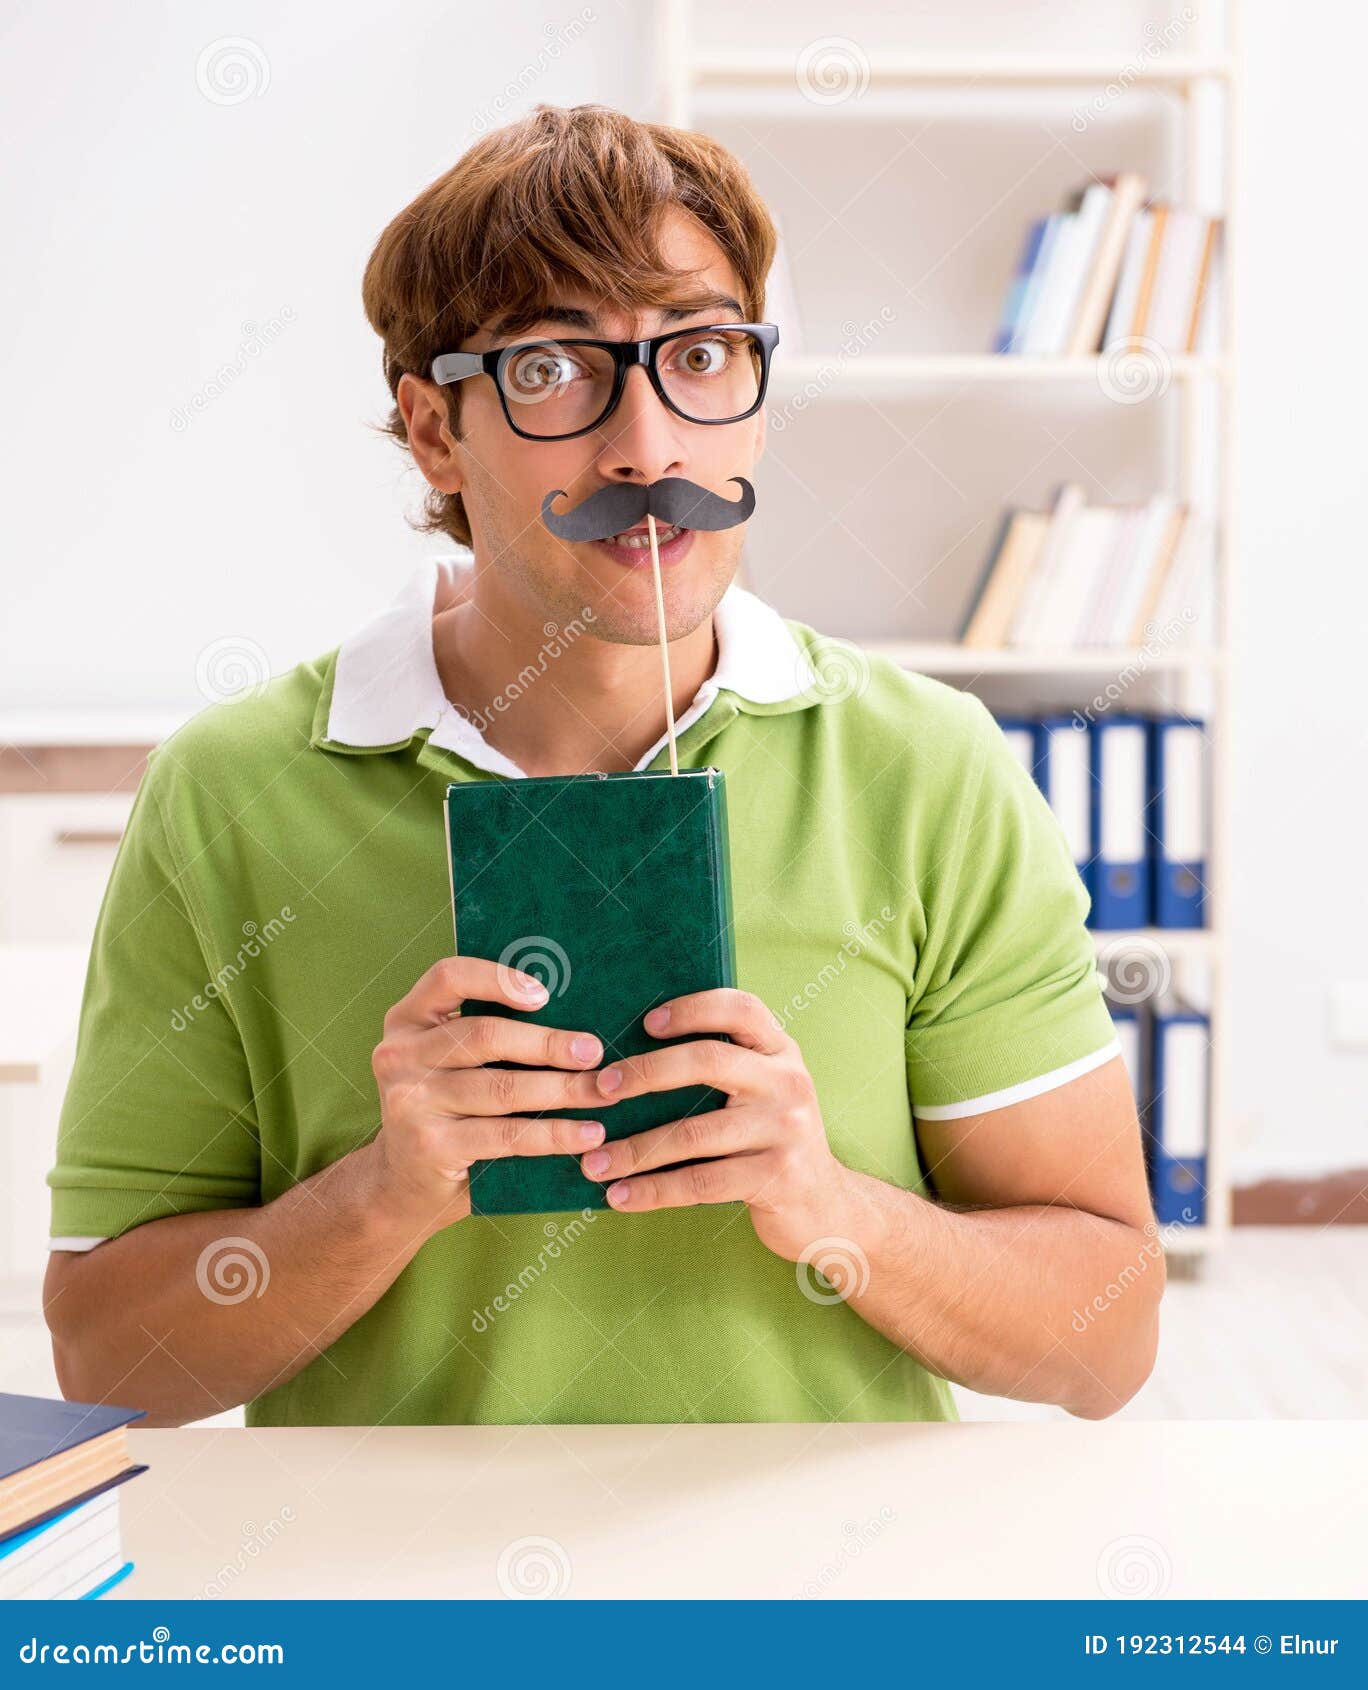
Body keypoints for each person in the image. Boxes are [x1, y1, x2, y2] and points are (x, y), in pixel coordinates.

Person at [44, 104, 1160, 1428]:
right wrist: (379, 1194)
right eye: (556, 370)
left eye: (699, 355)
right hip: (402, 1606)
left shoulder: (930, 771)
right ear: (434, 431)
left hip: (830, 1600)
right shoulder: (230, 793)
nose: (648, 448)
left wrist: (831, 1204)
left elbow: (1107, 1338)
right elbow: (110, 1363)